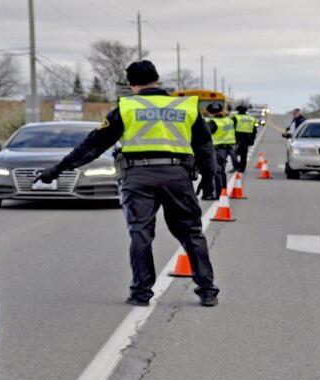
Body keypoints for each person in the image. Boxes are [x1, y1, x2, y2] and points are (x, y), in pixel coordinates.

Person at [34, 60, 220, 308]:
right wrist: (209, 178)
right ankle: (207, 291)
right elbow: (204, 145)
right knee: (191, 233)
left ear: (132, 84)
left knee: (141, 234)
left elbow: (92, 145)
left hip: (138, 177)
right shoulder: (185, 106)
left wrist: (56, 170)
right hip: (177, 176)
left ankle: (141, 293)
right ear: (157, 79)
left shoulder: (126, 107)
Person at [204, 102, 236, 199]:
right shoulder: (228, 120)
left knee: (217, 171)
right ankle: (223, 192)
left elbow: (204, 135)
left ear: (210, 112)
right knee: (221, 171)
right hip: (226, 148)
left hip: (217, 149)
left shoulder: (213, 123)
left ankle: (219, 194)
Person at [232, 105, 258, 173]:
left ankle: (237, 166)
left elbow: (231, 128)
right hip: (247, 139)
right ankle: (242, 168)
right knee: (243, 155)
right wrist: (252, 139)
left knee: (234, 154)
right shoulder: (251, 118)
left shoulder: (235, 117)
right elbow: (254, 131)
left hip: (237, 138)